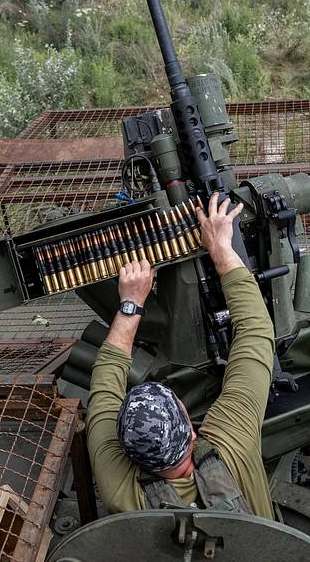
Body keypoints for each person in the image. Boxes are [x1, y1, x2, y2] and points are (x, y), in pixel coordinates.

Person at [85, 194, 276, 519]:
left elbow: (104, 384)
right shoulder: (234, 445)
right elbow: (256, 330)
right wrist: (221, 249)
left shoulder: (116, 484)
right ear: (190, 426)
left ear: (126, 453)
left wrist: (130, 304)